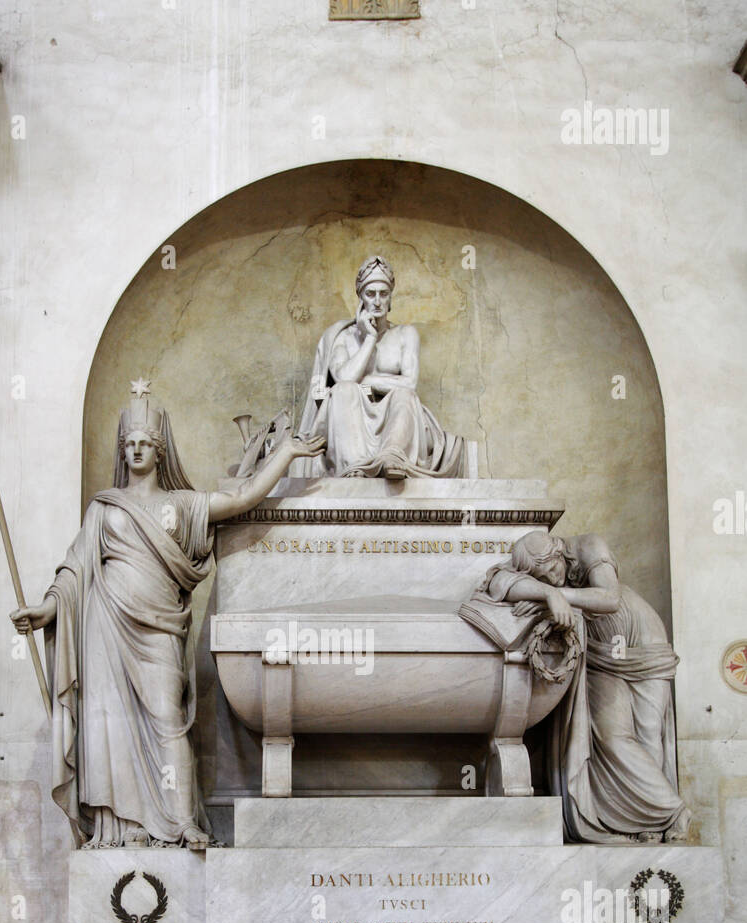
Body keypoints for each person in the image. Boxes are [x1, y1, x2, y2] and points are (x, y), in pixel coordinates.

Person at [11, 383, 324, 850]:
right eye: (129, 444)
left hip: (158, 629)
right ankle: (120, 826)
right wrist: (45, 609)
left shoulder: (180, 505)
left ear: (159, 451)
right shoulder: (105, 506)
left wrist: (287, 455)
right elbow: (75, 571)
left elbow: (241, 501)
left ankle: (181, 821)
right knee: (107, 721)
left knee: (166, 718)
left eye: (145, 444)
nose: (136, 451)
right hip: (106, 628)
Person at [476, 530, 691, 844]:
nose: (552, 579)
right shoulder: (545, 584)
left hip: (643, 641)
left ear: (558, 551)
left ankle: (655, 821)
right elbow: (498, 583)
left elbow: (609, 598)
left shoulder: (589, 545)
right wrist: (547, 594)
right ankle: (665, 809)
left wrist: (558, 598)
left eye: (552, 571)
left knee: (648, 733)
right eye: (542, 578)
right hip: (599, 650)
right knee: (614, 736)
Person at [295, 255, 464, 479]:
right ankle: (355, 466)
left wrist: (367, 382)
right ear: (361, 298)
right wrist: (370, 339)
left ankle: (392, 457)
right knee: (344, 391)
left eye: (383, 294)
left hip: (396, 413)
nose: (377, 301)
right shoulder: (343, 337)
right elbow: (344, 378)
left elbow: (409, 383)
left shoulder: (405, 334)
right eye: (370, 293)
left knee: (404, 395)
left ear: (390, 298)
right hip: (352, 417)